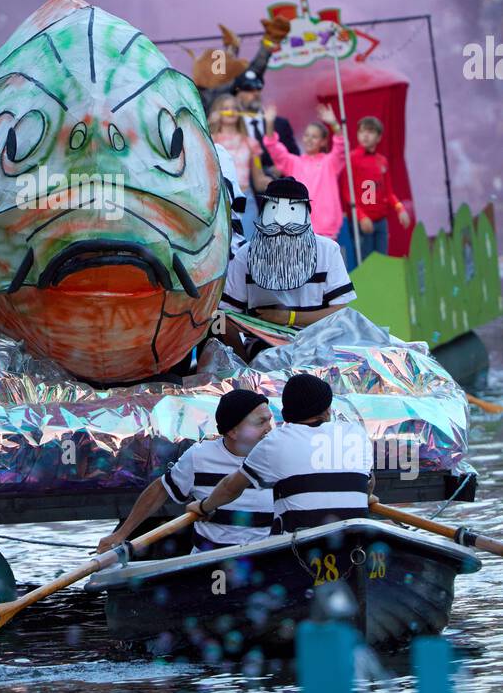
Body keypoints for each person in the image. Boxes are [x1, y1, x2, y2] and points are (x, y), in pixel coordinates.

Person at [190, 374, 374, 534]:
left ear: (287, 415)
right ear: (327, 410)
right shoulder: (357, 433)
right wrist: (364, 497)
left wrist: (203, 506)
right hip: (355, 544)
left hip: (300, 550)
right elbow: (368, 482)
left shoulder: (276, 441)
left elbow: (231, 488)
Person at [96, 390, 274, 555]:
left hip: (268, 554)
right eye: (261, 422)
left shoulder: (279, 453)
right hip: (211, 558)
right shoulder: (199, 456)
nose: (270, 429)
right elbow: (160, 489)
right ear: (233, 431)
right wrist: (120, 534)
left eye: (269, 420)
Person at [219, 178, 355, 356]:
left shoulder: (328, 251)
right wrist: (242, 362)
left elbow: (340, 312)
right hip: (264, 353)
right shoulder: (245, 256)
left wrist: (289, 318)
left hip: (318, 349)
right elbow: (224, 316)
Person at [262, 100, 345, 240]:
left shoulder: (330, 162)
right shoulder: (294, 162)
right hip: (299, 225)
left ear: (323, 141)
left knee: (325, 262)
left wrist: (334, 124)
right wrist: (269, 124)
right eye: (307, 135)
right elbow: (273, 147)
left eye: (314, 136)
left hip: (326, 229)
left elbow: (341, 145)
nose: (309, 139)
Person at [337, 116, 411, 270]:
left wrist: (400, 208)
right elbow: (347, 192)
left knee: (382, 262)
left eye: (370, 132)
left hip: (381, 222)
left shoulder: (382, 161)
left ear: (378, 137)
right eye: (362, 131)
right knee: (366, 265)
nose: (365, 135)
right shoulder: (351, 159)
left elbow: (389, 192)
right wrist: (362, 217)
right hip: (361, 223)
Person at [208, 100, 267, 236]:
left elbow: (259, 180)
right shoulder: (209, 139)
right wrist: (208, 122)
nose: (231, 110)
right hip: (218, 200)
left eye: (235, 107)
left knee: (246, 248)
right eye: (226, 107)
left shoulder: (251, 143)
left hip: (245, 200)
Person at [231, 69, 300, 168]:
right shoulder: (231, 124)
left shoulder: (280, 124)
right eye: (248, 89)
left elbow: (295, 156)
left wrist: (280, 168)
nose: (255, 93)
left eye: (258, 88)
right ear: (237, 94)